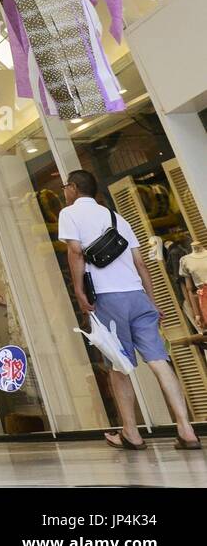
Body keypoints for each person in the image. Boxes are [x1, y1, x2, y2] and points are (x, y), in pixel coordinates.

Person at [58, 169, 201, 450]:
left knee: (119, 366)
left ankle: (132, 434)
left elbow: (75, 252)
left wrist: (78, 291)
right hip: (137, 295)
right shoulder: (117, 218)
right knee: (159, 361)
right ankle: (186, 430)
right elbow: (141, 264)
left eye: (66, 187)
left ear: (73, 188)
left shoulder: (69, 214)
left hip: (108, 299)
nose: (65, 192)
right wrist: (151, 300)